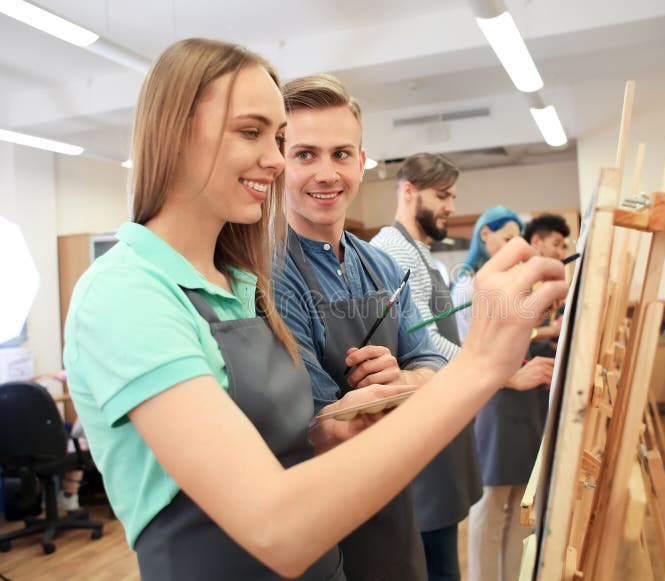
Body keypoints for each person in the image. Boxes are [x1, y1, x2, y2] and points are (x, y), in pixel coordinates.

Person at [64, 39, 568, 581]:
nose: (277, 161)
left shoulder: (238, 284)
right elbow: (274, 526)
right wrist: (483, 366)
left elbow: (301, 436)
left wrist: (339, 424)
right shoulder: (127, 295)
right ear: (177, 133)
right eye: (252, 132)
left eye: (279, 140)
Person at [272, 76, 456, 581]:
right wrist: (406, 393)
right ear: (278, 161)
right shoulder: (270, 275)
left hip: (395, 499)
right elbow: (314, 421)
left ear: (361, 161)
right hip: (322, 512)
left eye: (341, 154)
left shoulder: (380, 264)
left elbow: (433, 362)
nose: (326, 173)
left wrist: (401, 380)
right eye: (305, 154)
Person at [370, 153, 482, 581]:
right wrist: (486, 368)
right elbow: (422, 339)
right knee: (436, 565)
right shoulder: (392, 249)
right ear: (409, 191)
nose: (451, 206)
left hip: (441, 421)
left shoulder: (420, 252)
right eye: (443, 195)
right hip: (422, 424)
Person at [452, 206, 556, 581]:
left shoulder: (506, 284)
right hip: (492, 399)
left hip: (517, 393)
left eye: (518, 239)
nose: (514, 246)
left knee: (517, 504)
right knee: (491, 505)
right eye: (508, 238)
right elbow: (469, 351)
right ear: (485, 235)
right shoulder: (467, 285)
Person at [523, 213, 571, 342]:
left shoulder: (546, 283)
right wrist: (551, 331)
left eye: (563, 247)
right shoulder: (521, 283)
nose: (561, 254)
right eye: (556, 244)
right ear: (536, 242)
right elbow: (517, 334)